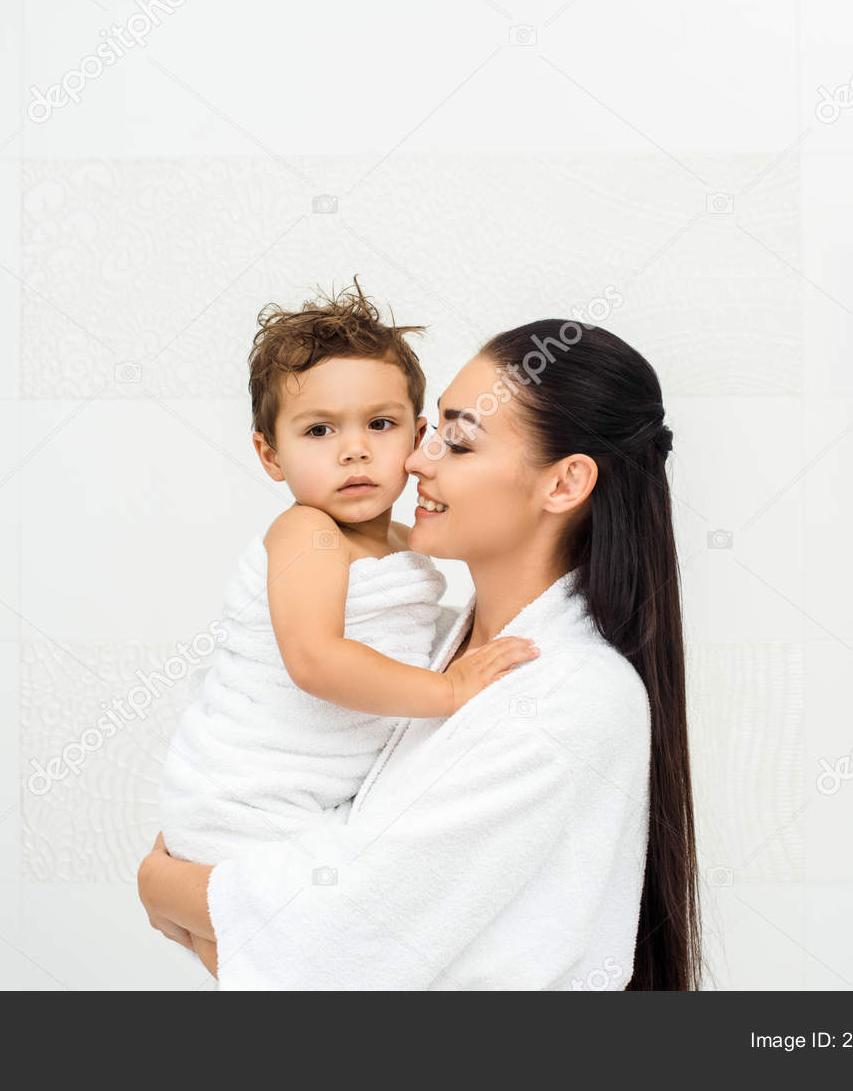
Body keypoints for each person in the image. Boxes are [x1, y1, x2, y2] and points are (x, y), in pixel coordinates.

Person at [140, 319, 702, 989]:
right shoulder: (425, 647)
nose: (413, 461)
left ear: (563, 484)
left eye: (456, 443)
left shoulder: (571, 698)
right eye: (430, 430)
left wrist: (163, 886)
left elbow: (338, 952)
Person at [159, 283, 539, 972]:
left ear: (420, 438)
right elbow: (314, 660)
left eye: (381, 425)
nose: (355, 451)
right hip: (251, 800)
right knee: (301, 968)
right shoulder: (306, 534)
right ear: (269, 455)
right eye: (319, 430)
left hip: (319, 805)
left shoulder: (405, 545)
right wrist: (447, 692)